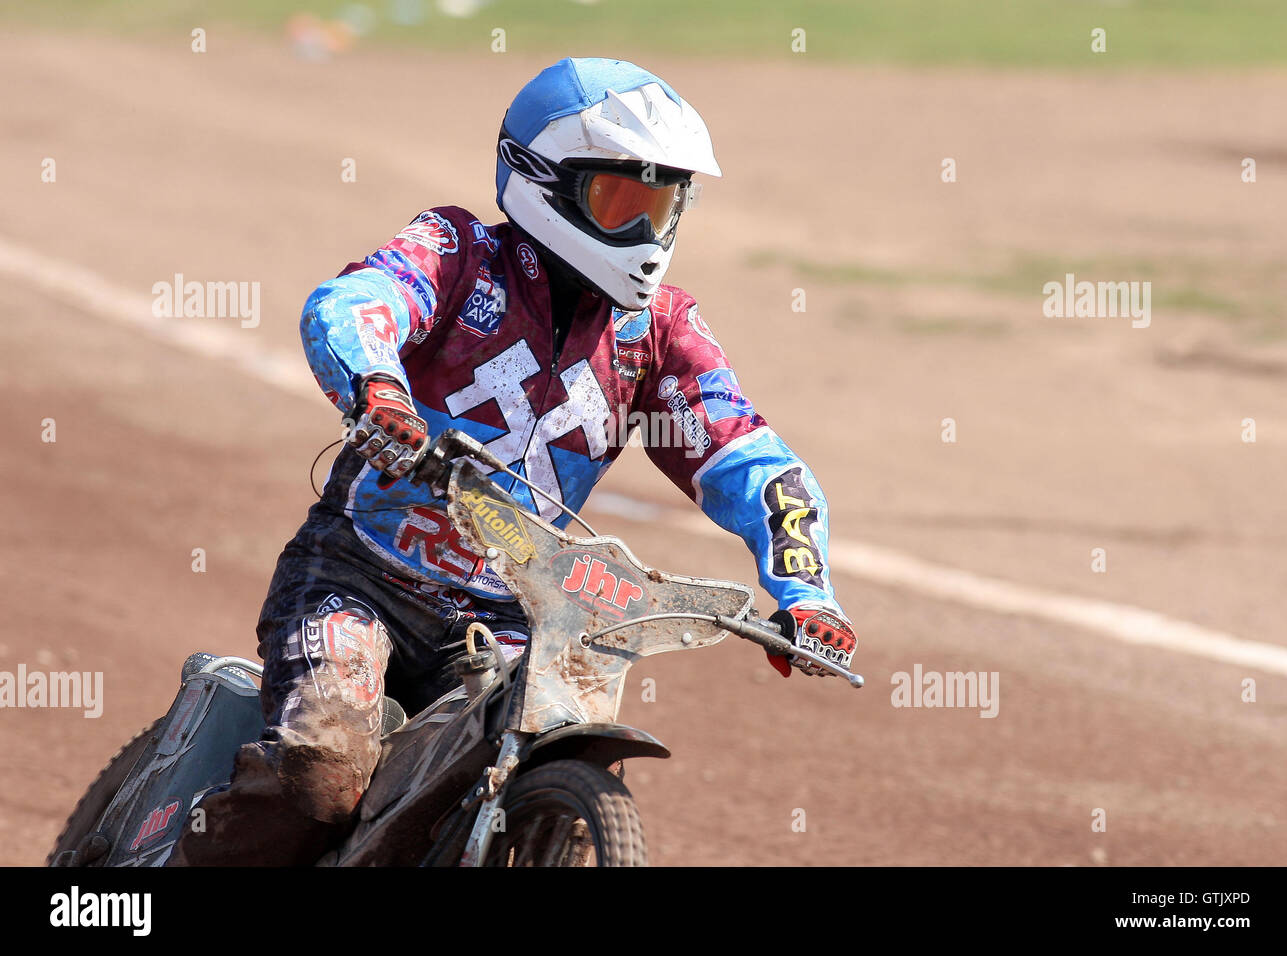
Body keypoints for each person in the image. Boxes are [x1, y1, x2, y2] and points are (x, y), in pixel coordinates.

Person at [169, 56, 856, 866]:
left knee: (528, 761)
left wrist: (806, 591)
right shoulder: (459, 252)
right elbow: (355, 305)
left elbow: (747, 455)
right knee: (324, 774)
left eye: (662, 206)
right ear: (545, 183)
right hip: (362, 578)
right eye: (621, 201)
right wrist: (380, 395)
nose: (645, 234)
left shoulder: (662, 334)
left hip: (521, 616)